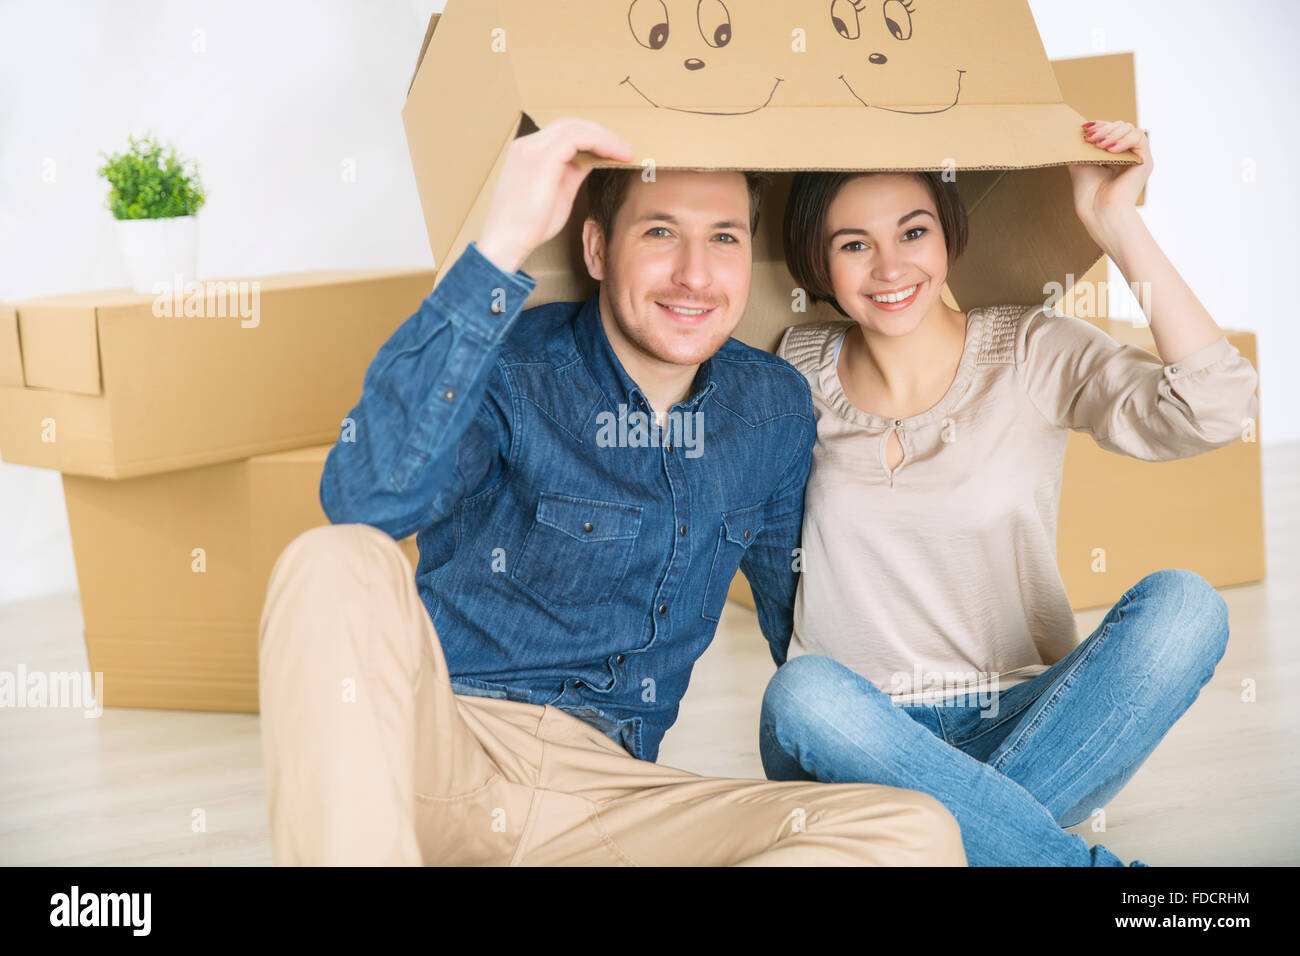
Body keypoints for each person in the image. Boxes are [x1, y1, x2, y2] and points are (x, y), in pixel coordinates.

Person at [256, 117, 966, 866]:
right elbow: (362, 501)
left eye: (723, 238)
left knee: (911, 833)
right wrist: (500, 240)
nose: (695, 274)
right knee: (329, 558)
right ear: (597, 248)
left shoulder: (771, 409)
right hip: (446, 760)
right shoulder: (509, 371)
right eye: (661, 233)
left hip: (611, 798)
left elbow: (803, 625)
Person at [759, 119, 1260, 866]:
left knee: (1186, 608)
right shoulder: (787, 371)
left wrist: (1115, 222)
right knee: (802, 696)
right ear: (819, 262)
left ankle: (945, 841)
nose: (890, 266)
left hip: (1031, 714)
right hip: (861, 733)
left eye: (913, 231)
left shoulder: (1028, 347)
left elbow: (1213, 408)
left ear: (949, 233)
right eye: (854, 244)